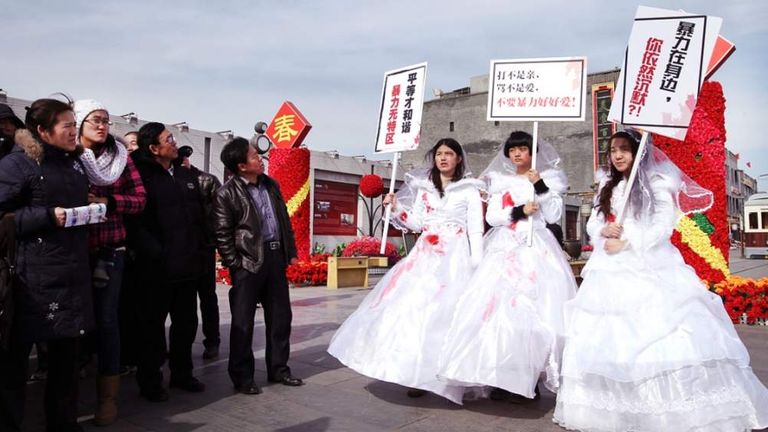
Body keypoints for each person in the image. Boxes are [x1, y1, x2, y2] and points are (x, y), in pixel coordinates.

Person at [553, 131, 768, 431]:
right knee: (609, 335)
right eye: (614, 150)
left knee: (663, 332)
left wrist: (628, 242)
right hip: (610, 268)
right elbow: (594, 222)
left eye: (625, 149)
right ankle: (615, 409)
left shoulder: (657, 182)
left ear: (638, 152)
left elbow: (662, 225)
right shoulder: (607, 184)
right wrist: (604, 233)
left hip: (650, 263)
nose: (618, 156)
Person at [327, 138, 485, 404]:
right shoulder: (424, 189)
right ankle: (416, 375)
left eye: (449, 154)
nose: (443, 158)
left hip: (455, 257)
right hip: (425, 256)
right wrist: (397, 207)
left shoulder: (469, 190)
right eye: (439, 154)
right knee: (417, 314)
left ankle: (445, 374)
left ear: (459, 159)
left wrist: (477, 263)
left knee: (448, 315)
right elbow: (417, 222)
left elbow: (475, 228)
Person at [438, 131, 577, 403]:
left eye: (523, 149)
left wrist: (540, 186)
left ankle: (531, 378)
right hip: (504, 248)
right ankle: (502, 375)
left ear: (532, 152)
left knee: (536, 314)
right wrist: (517, 211)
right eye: (513, 150)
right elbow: (492, 216)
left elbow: (553, 215)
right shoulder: (500, 182)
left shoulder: (548, 179)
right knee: (498, 314)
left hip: (536, 247)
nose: (517, 154)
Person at [0, 98, 94, 432]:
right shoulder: (17, 165)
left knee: (67, 360)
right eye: (67, 125)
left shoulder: (74, 164)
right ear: (42, 130)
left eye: (74, 124)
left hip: (71, 271)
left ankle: (64, 423)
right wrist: (46, 216)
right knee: (14, 363)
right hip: (29, 277)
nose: (74, 132)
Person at [74, 99, 146, 425]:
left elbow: (139, 200)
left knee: (107, 321)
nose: (102, 126)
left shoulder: (121, 157)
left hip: (109, 251)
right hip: (72, 252)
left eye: (105, 120)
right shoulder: (69, 155)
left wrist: (110, 201)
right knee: (71, 322)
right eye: (94, 120)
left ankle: (108, 398)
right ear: (78, 124)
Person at [213, 137, 302, 395]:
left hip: (275, 259)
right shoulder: (226, 193)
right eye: (254, 156)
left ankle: (279, 369)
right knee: (243, 322)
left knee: (280, 318)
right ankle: (242, 377)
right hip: (248, 263)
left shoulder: (270, 185)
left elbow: (283, 220)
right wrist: (236, 264)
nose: (259, 158)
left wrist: (291, 252)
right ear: (241, 166)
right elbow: (222, 234)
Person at [128, 122, 206, 402]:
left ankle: (182, 374)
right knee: (152, 329)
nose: (174, 143)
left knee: (186, 325)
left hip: (187, 266)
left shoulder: (185, 177)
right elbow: (137, 225)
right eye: (168, 139)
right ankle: (150, 381)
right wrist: (156, 254)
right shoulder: (141, 178)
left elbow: (197, 219)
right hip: (156, 270)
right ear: (153, 148)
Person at [178, 145, 222, 360]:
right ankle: (181, 347)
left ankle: (212, 341)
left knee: (207, 298)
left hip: (203, 248)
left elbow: (220, 215)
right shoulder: (170, 180)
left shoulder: (207, 180)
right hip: (180, 251)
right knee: (182, 301)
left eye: (184, 157)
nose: (181, 161)